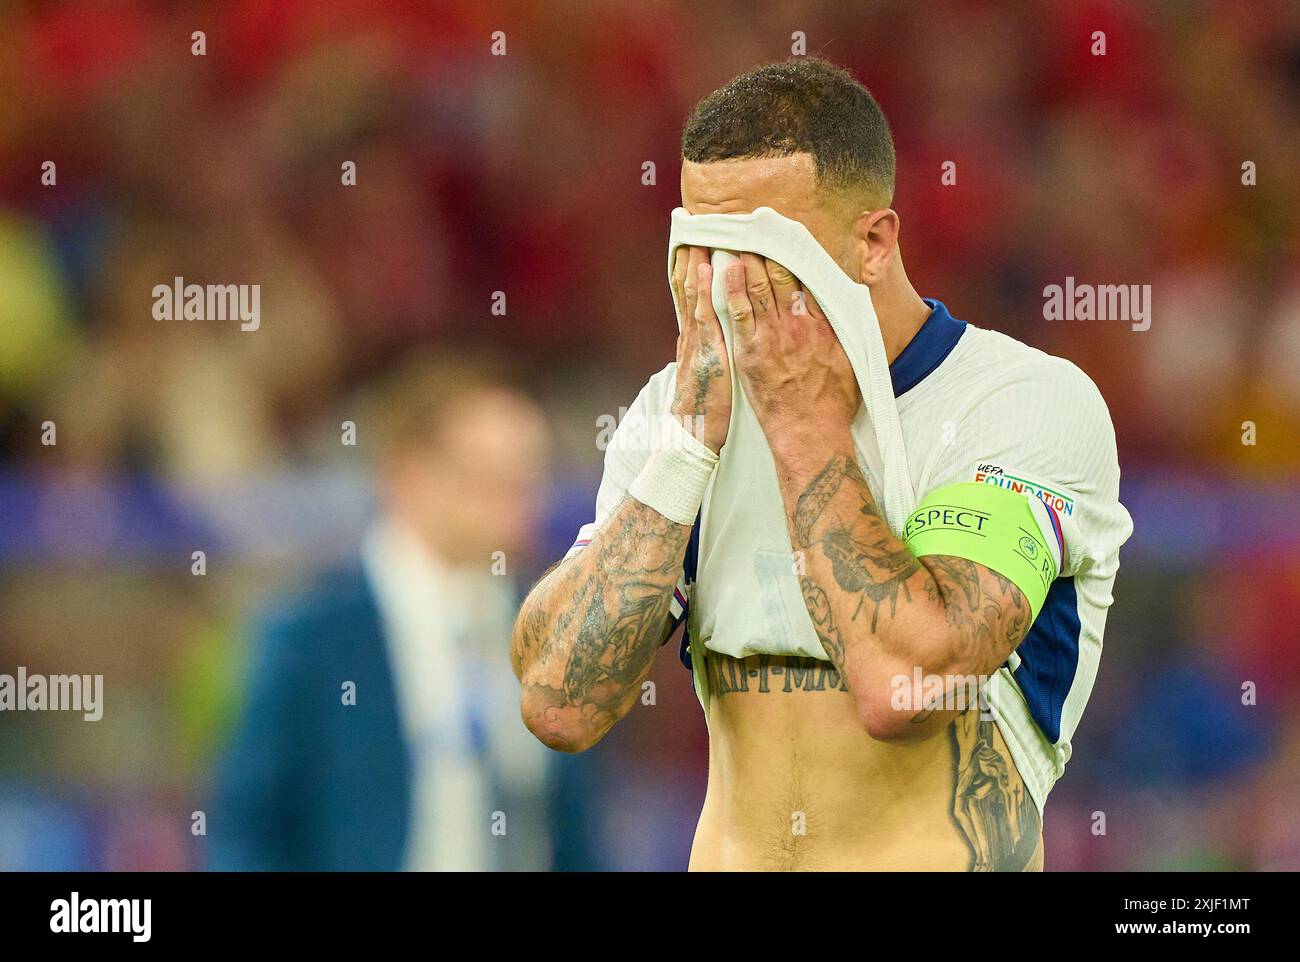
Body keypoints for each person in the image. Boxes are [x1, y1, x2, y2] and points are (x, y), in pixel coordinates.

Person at [511, 58, 1132, 871]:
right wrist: (685, 451)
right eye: (704, 246)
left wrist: (803, 425)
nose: (727, 284)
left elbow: (905, 687)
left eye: (760, 249)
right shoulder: (684, 410)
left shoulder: (1022, 404)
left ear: (873, 243)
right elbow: (560, 702)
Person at [212, 353, 556, 871]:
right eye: (489, 480)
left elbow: (568, 830)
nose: (519, 505)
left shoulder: (551, 627)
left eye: (526, 480)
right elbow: (247, 832)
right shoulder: (313, 637)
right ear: (408, 476)